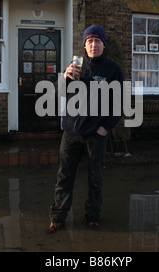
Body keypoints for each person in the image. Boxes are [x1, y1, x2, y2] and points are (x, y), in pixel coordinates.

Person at [48, 25, 124, 233]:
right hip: (71, 134)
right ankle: (58, 218)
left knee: (95, 178)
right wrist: (64, 77)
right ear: (84, 45)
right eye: (90, 41)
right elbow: (58, 94)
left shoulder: (112, 70)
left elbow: (119, 103)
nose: (94, 45)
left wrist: (106, 127)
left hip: (95, 136)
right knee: (64, 177)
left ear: (104, 44)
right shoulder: (74, 67)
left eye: (98, 41)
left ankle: (93, 216)